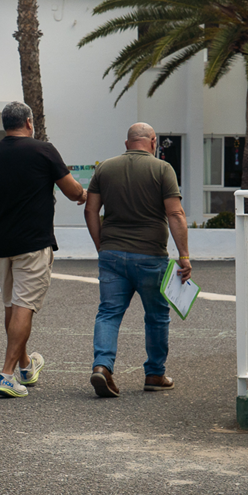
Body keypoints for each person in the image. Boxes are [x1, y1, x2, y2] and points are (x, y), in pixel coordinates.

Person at [0, 101, 85, 398]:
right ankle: (6, 375)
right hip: (33, 243)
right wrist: (82, 195)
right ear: (29, 122)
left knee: (13, 307)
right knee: (24, 307)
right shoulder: (43, 150)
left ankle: (26, 366)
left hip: (0, 244)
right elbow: (72, 190)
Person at [84, 122, 192, 398]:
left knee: (108, 313)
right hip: (150, 256)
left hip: (112, 253)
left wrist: (102, 246)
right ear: (153, 142)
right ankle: (155, 374)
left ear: (126, 143)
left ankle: (102, 367)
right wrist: (184, 256)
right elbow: (175, 214)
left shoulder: (104, 168)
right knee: (156, 316)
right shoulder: (162, 169)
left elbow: (90, 210)